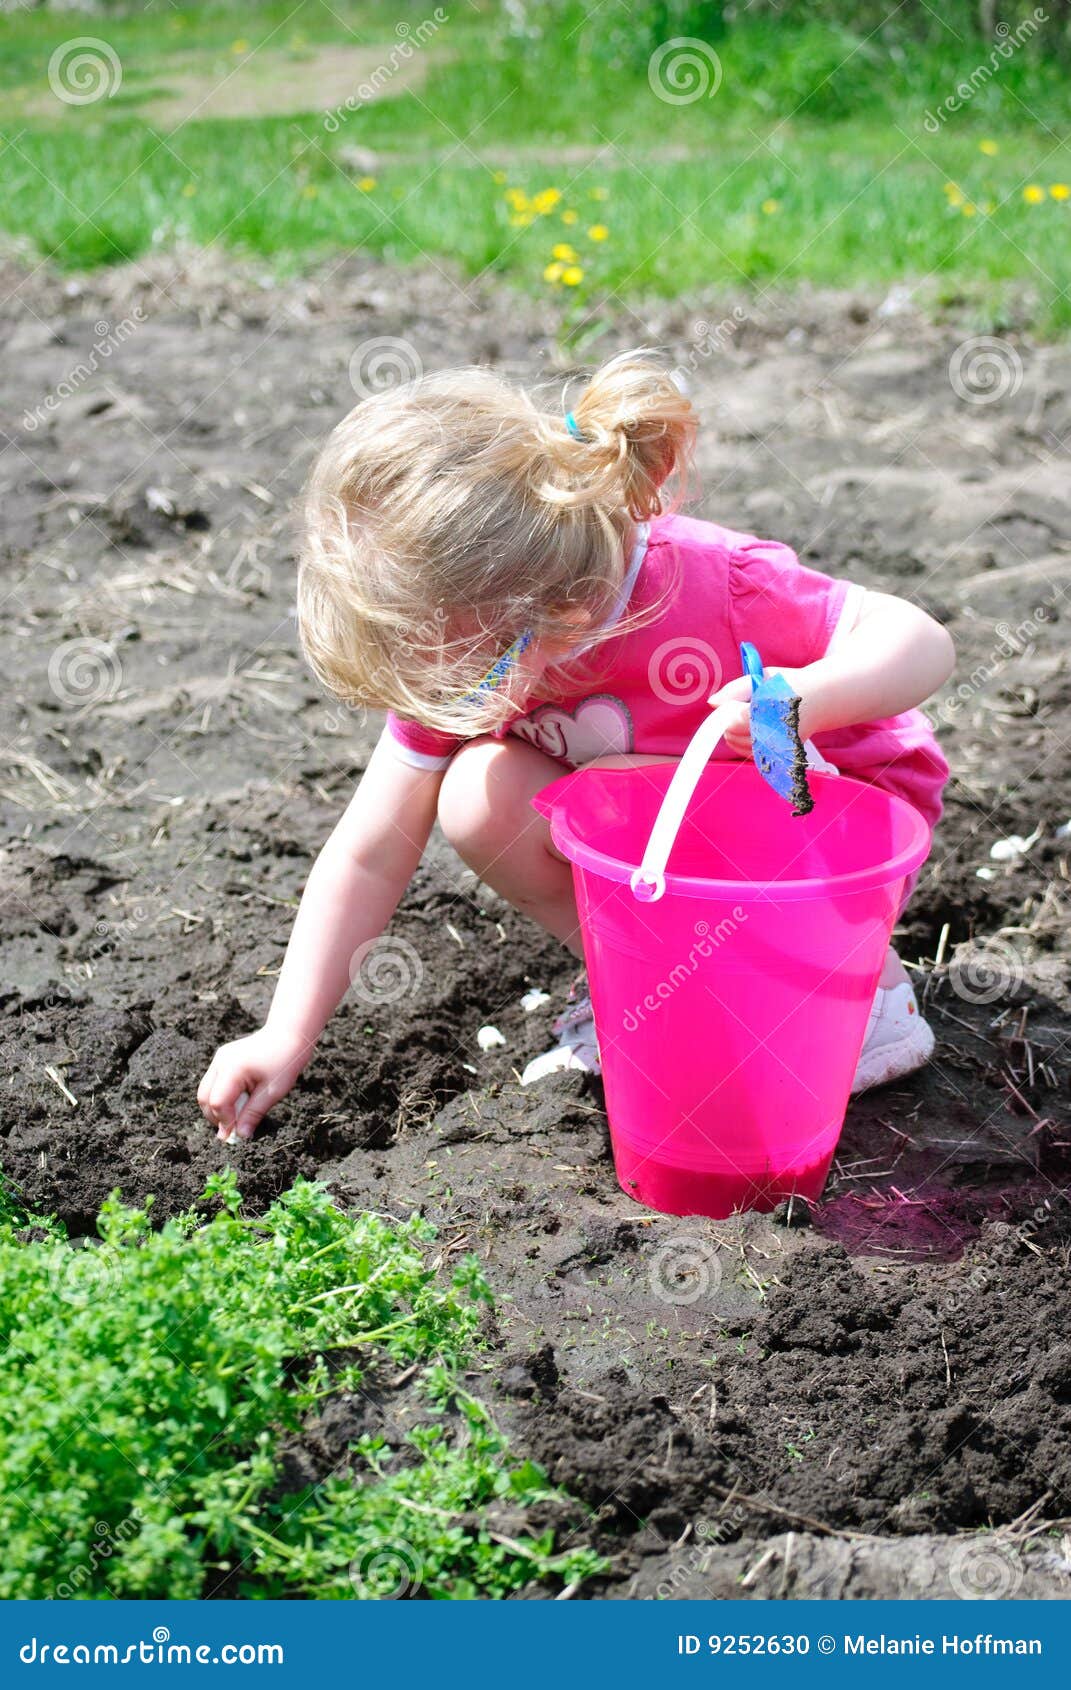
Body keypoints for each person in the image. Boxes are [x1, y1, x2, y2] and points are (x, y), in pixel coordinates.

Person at [197, 351, 954, 1141]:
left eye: (461, 682)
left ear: (552, 618)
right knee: (479, 793)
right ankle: (662, 991)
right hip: (682, 847)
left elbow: (922, 642)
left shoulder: (717, 588)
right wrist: (284, 1032)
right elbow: (367, 850)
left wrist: (806, 699)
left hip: (833, 835)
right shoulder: (468, 644)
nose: (448, 704)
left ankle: (857, 1001)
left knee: (617, 783)